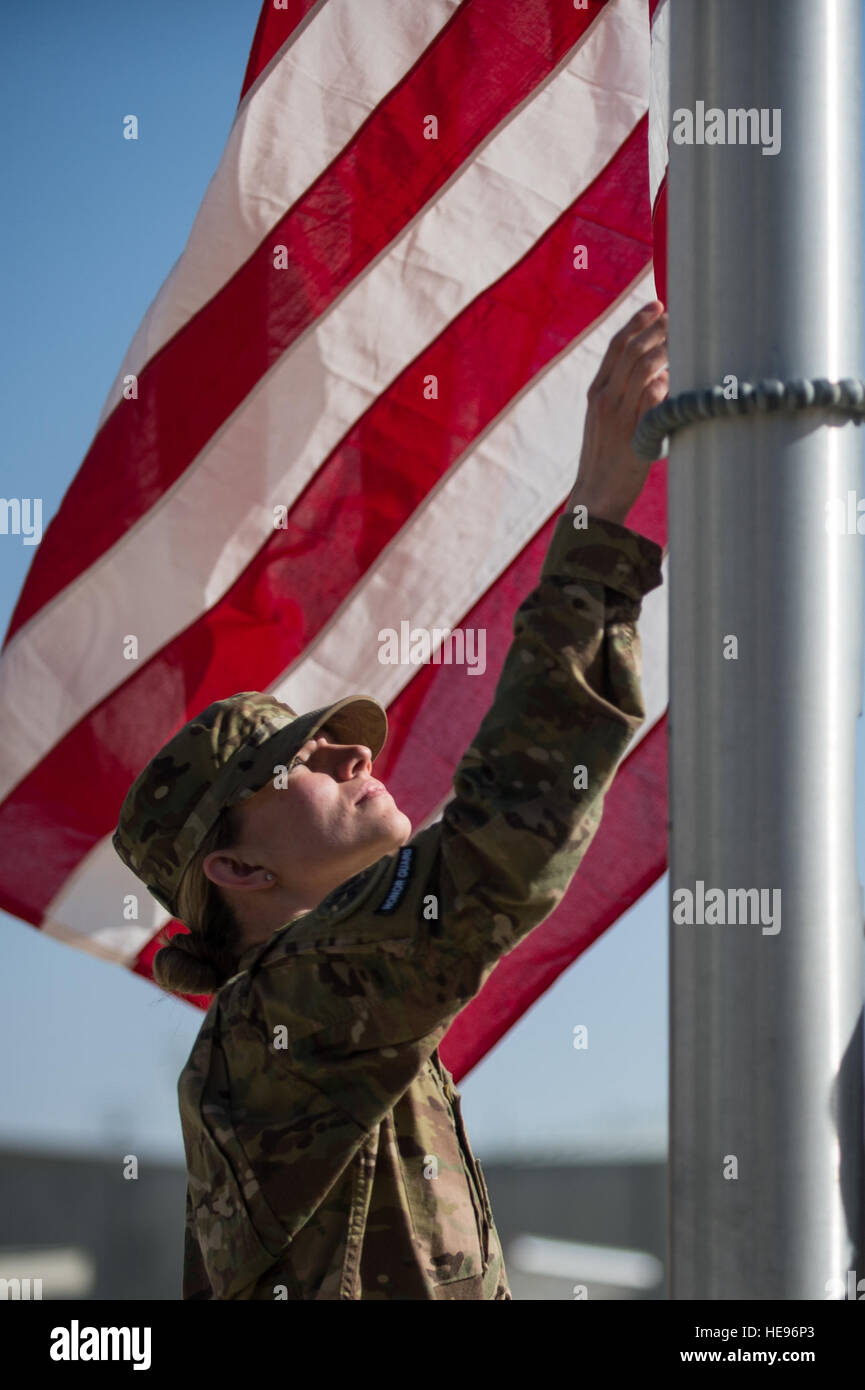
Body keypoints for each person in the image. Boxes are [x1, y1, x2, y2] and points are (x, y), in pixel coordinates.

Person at [112, 299, 669, 1300]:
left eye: (337, 740)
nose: (352, 754)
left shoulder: (342, 1027)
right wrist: (592, 522)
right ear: (237, 868)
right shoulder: (276, 1023)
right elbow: (501, 844)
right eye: (304, 761)